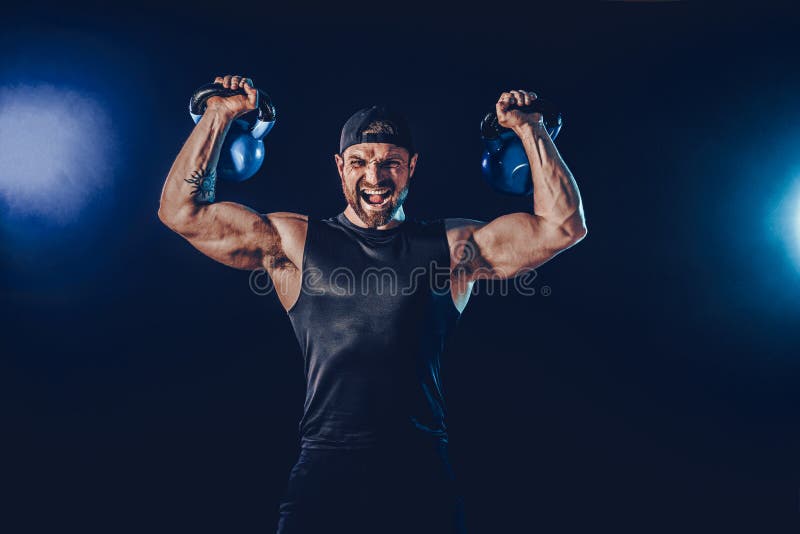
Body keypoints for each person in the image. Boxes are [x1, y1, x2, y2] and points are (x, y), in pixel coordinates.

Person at [158, 74, 587, 534]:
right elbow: (180, 212)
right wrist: (219, 115)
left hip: (420, 475)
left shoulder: (452, 247)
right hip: (324, 471)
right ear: (340, 167)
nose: (375, 177)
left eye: (391, 163)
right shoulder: (294, 243)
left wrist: (531, 128)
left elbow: (562, 227)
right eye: (360, 162)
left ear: (412, 167)